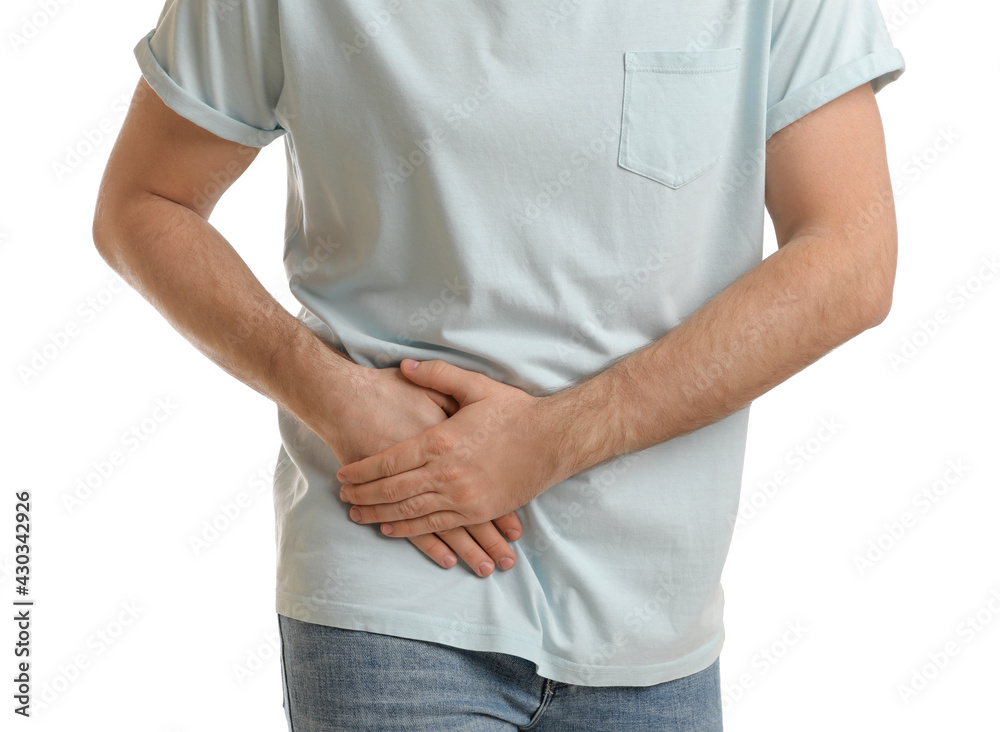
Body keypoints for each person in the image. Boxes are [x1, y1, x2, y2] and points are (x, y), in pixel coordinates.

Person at [92, 0, 905, 729]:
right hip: (394, 564)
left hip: (658, 621)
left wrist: (554, 440)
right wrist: (333, 394)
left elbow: (850, 257)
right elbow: (144, 202)